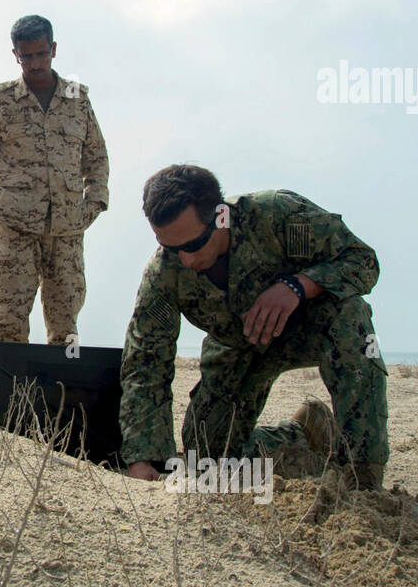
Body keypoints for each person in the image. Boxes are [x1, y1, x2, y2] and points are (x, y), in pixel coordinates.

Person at [119, 164, 389, 489]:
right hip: (235, 348)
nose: (185, 260)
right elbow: (146, 362)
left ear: (221, 216)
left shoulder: (275, 215)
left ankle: (362, 471)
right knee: (205, 459)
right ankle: (304, 433)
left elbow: (361, 261)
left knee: (350, 315)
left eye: (193, 245)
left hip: (305, 326)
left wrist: (298, 286)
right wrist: (142, 456)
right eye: (171, 247)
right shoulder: (163, 273)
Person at [0, 14, 108, 344]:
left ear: (53, 49)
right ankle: (10, 380)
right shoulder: (0, 101)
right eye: (26, 56)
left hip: (68, 227)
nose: (34, 63)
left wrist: (96, 200)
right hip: (15, 225)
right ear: (15, 54)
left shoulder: (77, 99)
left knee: (65, 322)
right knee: (9, 317)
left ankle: (61, 379)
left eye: (41, 54)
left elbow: (97, 155)